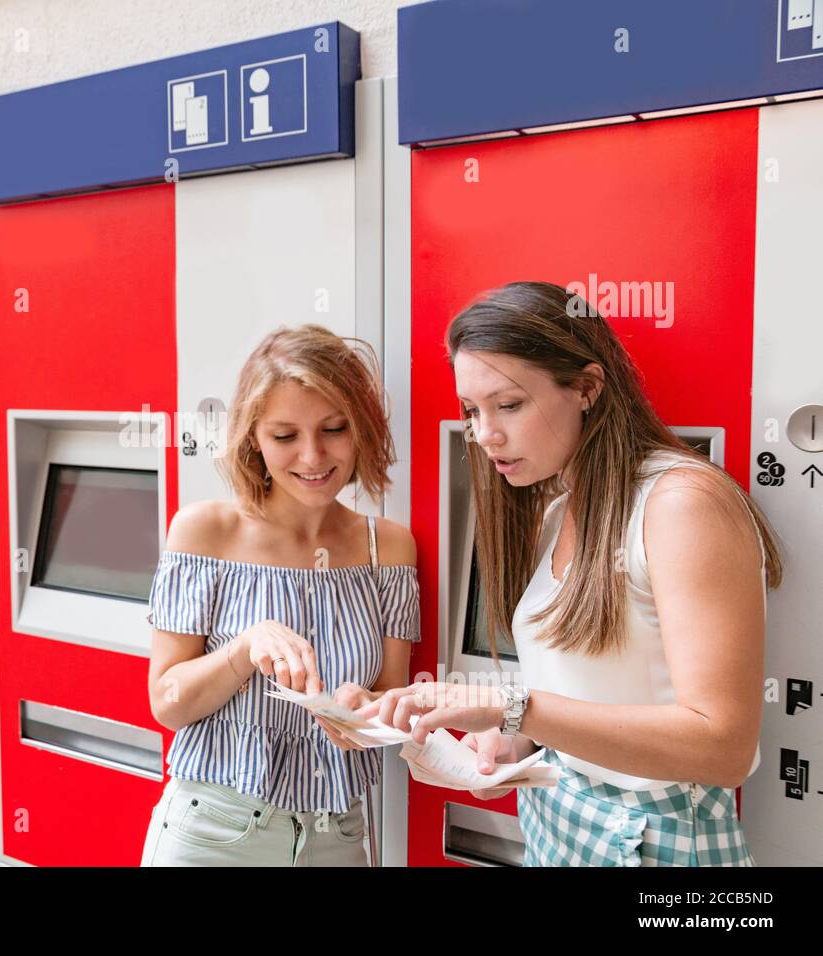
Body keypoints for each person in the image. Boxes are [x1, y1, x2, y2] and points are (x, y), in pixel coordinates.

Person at [364, 281, 780, 867]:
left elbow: (723, 748)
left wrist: (510, 707)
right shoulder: (556, 508)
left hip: (657, 839)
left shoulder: (682, 503)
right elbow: (587, 693)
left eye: (508, 405)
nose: (485, 435)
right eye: (472, 411)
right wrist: (510, 742)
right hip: (559, 824)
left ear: (587, 387)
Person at [141, 325, 420, 867]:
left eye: (334, 428)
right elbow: (167, 703)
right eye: (285, 436)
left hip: (337, 836)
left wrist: (363, 718)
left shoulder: (388, 546)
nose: (313, 456)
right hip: (213, 833)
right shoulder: (205, 531)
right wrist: (245, 648)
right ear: (253, 439)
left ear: (361, 428)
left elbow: (393, 703)